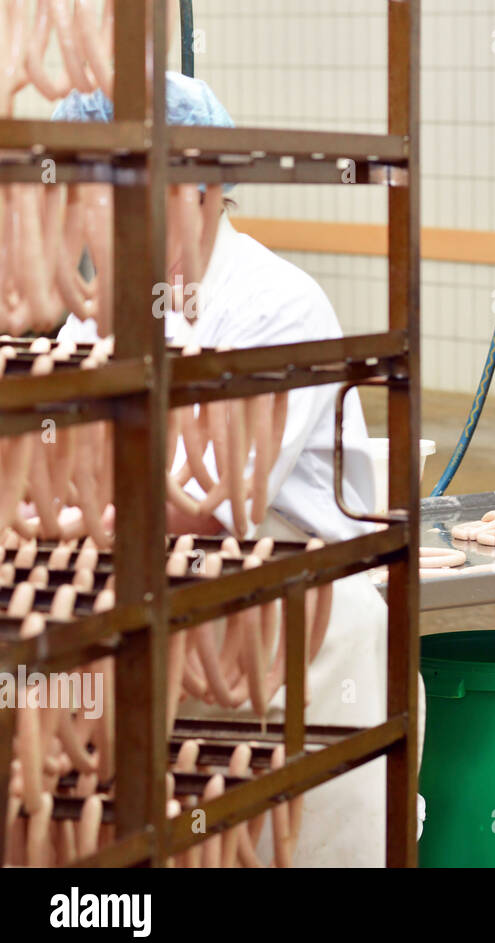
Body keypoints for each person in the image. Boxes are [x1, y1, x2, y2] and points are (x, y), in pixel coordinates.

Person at [54, 74, 406, 867]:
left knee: (291, 846)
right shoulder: (98, 304)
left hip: (298, 634)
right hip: (160, 616)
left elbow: (208, 501)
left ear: (204, 186)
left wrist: (70, 515)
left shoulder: (277, 304)